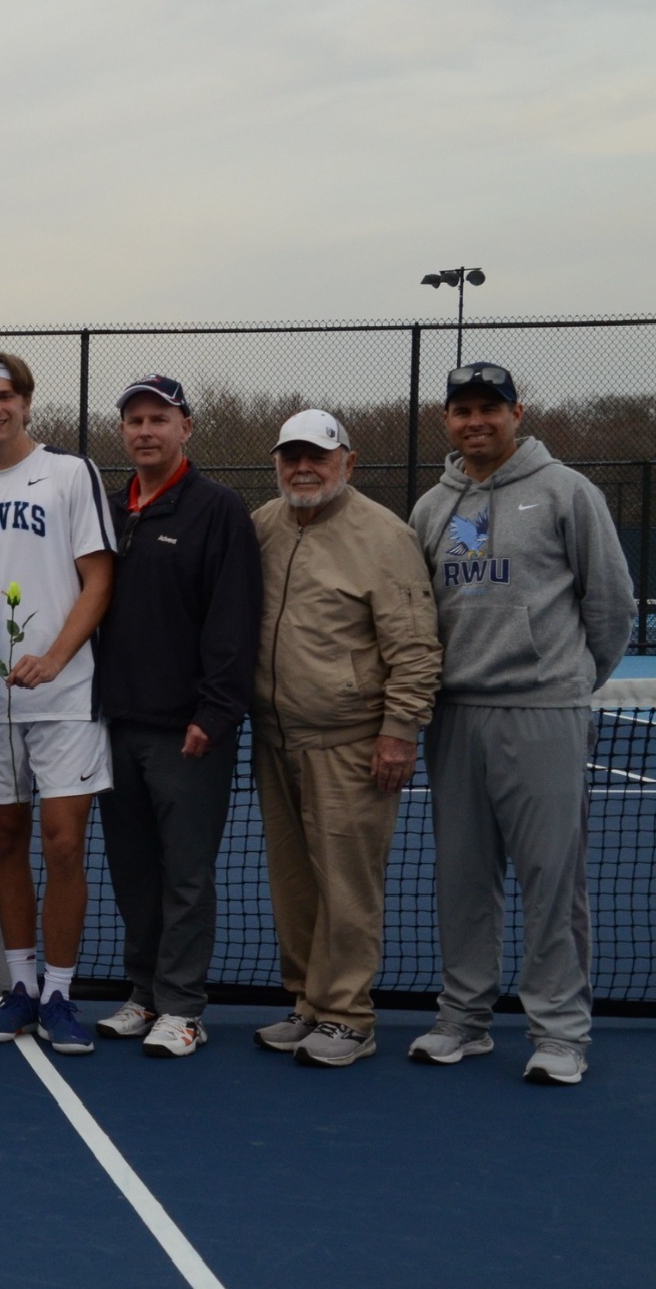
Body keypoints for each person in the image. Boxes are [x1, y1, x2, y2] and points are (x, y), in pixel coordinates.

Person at [408, 362, 634, 1085]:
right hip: (456, 718)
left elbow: (612, 606)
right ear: (447, 419)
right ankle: (464, 1019)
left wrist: (568, 681)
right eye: (461, 409)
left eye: (489, 408)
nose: (475, 420)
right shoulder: (430, 509)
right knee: (463, 877)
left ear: (517, 413)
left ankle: (560, 1033)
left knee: (551, 879)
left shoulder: (569, 492)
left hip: (545, 714)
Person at [249, 409, 442, 1067]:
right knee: (295, 884)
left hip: (352, 744)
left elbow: (416, 647)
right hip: (275, 740)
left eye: (317, 457)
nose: (303, 468)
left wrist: (398, 730)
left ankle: (348, 1017)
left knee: (347, 886)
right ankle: (307, 1004)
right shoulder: (264, 526)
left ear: (347, 462)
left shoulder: (385, 536)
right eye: (291, 456)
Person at [0, 351, 115, 1056]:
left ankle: (62, 993)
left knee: (64, 843)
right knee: (5, 841)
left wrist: (56, 657)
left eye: (5, 395)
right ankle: (19, 985)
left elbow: (98, 580)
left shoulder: (72, 473)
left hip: (68, 696)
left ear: (27, 403)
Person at [94, 376, 261, 1058]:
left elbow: (234, 619)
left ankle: (184, 1006)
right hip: (114, 726)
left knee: (186, 874)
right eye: (134, 419)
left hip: (189, 731)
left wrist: (214, 711)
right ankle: (145, 993)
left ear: (186, 426)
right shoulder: (109, 511)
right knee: (134, 871)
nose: (144, 430)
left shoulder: (219, 509)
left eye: (158, 418)